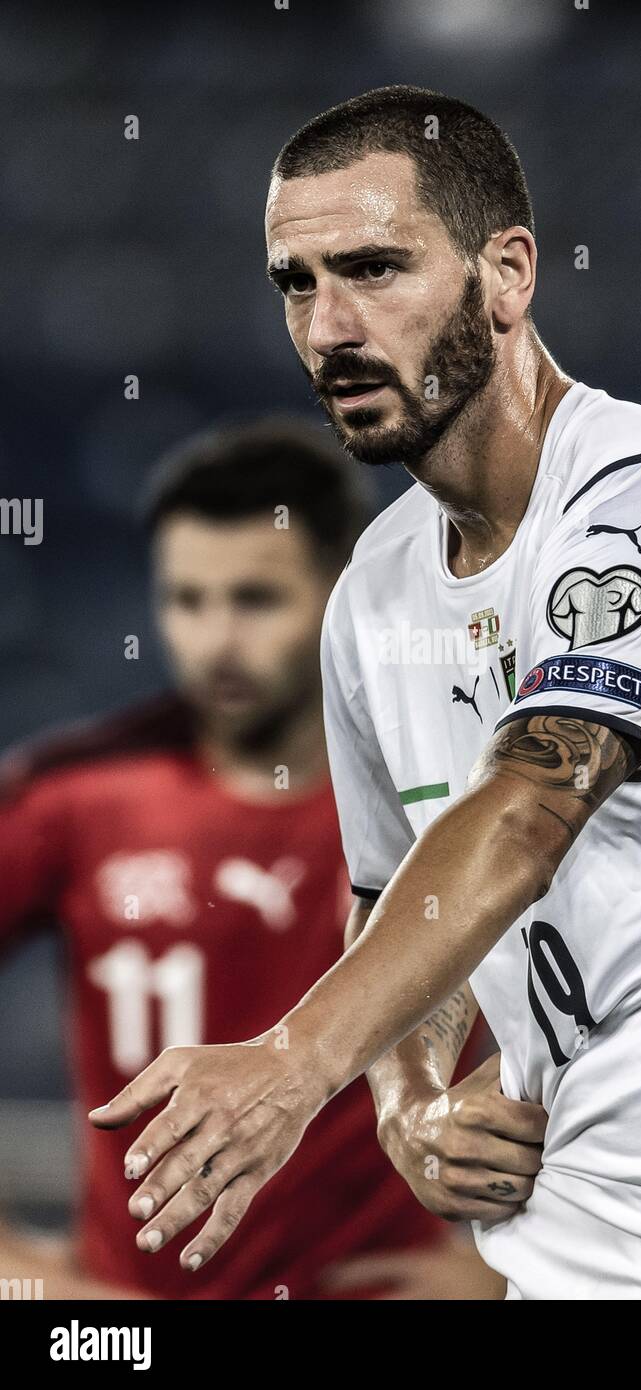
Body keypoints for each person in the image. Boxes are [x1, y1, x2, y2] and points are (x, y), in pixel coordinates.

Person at [92, 86, 641, 1300]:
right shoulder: (375, 593)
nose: (329, 326)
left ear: (507, 273)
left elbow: (523, 812)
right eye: (295, 282)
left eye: (373, 267)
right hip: (558, 1255)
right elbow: (391, 894)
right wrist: (403, 1100)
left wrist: (298, 1065)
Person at [0, 415, 507, 1299]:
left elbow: (631, 1018)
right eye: (186, 601)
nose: (215, 641)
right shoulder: (71, 796)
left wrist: (504, 1269)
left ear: (346, 591)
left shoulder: (460, 794)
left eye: (255, 600)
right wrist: (18, 1275)